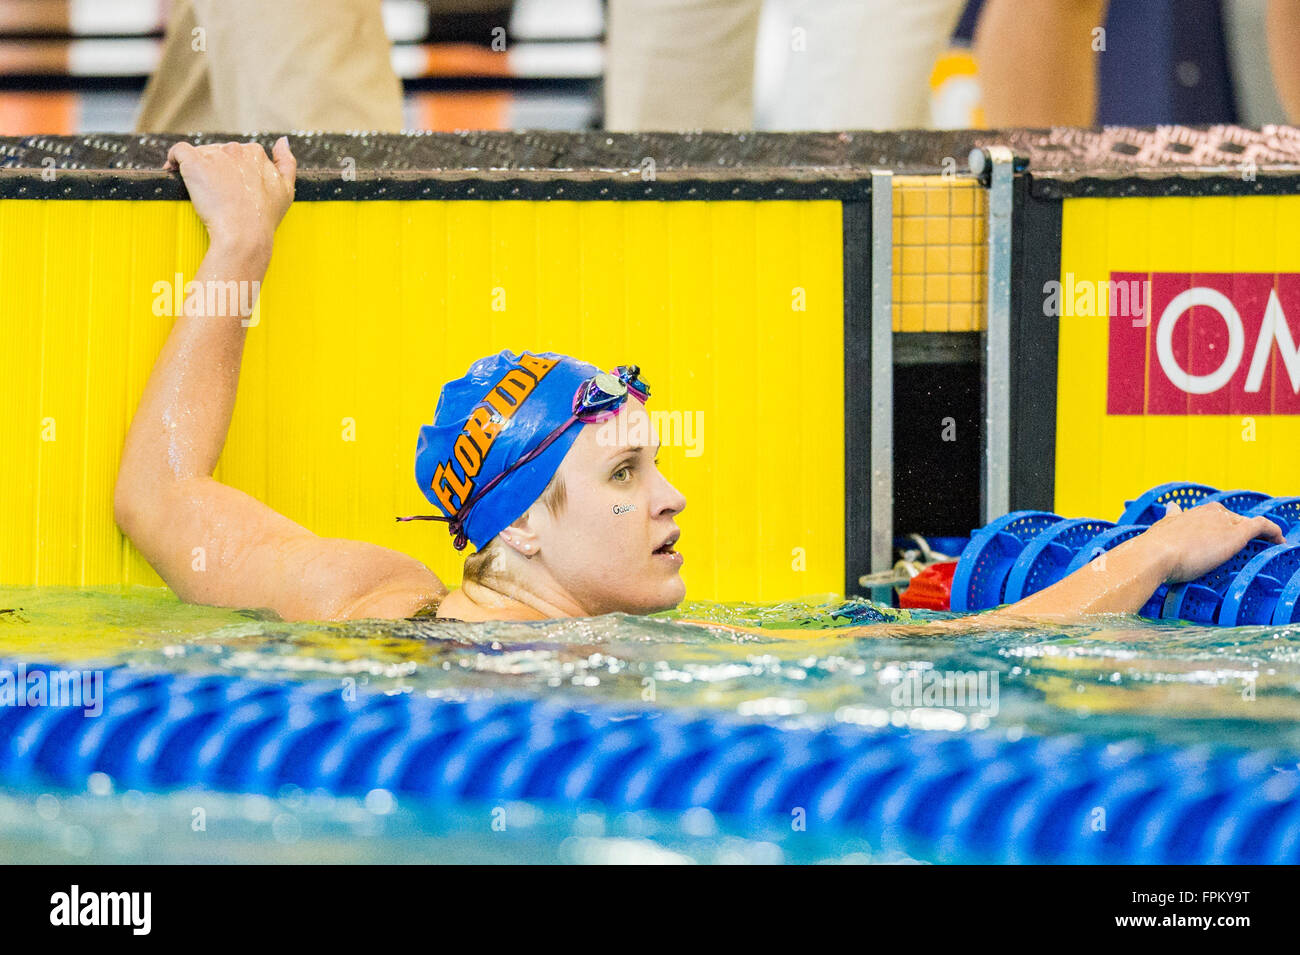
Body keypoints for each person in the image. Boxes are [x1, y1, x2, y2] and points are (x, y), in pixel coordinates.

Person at [113, 141, 1286, 633]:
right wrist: (1154, 553)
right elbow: (970, 655)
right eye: (625, 472)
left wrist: (239, 249)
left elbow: (162, 500)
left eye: (655, 460)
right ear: (519, 523)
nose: (673, 495)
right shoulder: (637, 665)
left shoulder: (382, 604)